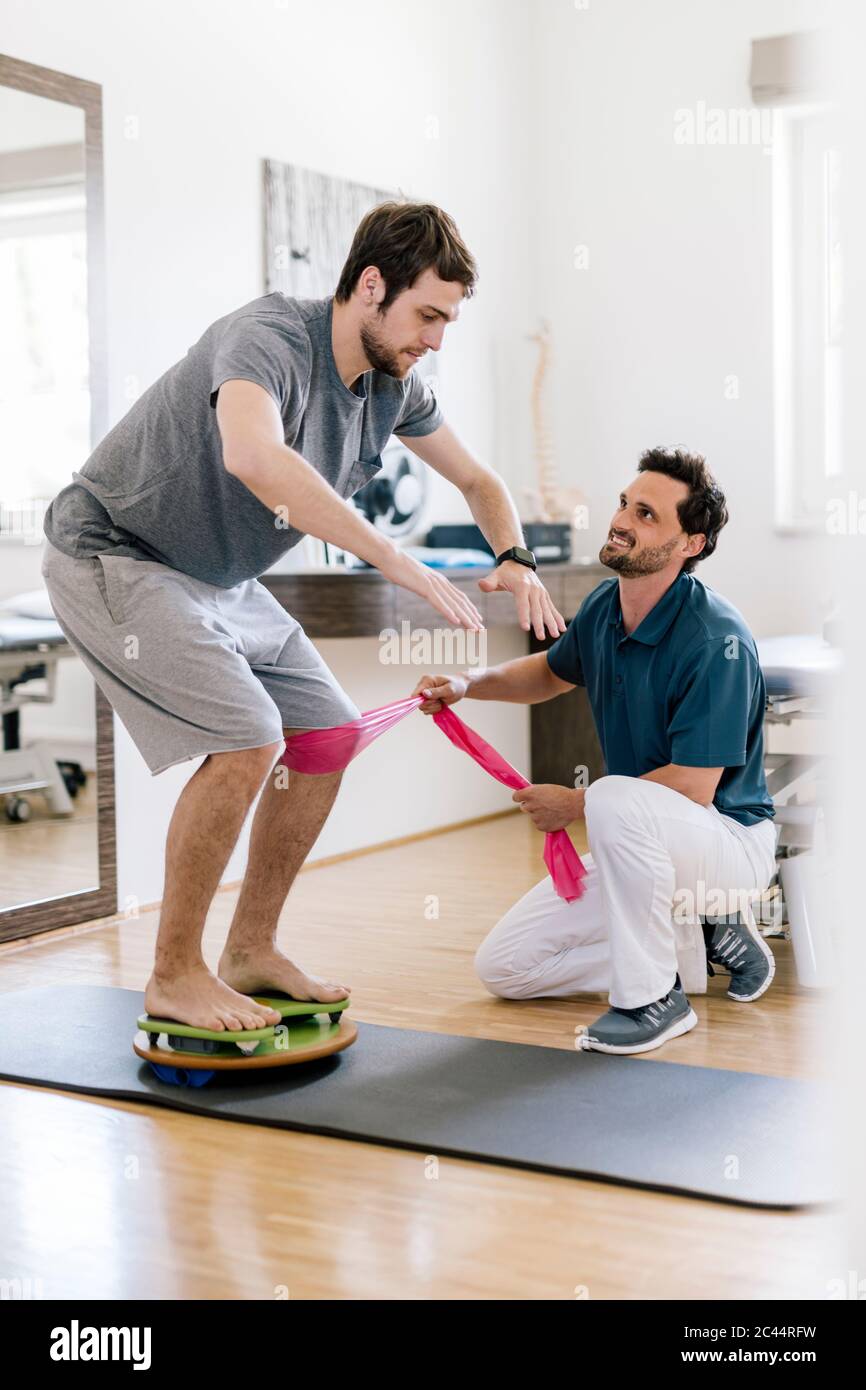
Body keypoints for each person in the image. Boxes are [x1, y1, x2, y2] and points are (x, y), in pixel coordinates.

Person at [40, 200, 565, 1032]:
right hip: (116, 549)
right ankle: (175, 973)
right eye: (428, 314)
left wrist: (515, 559)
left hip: (221, 578)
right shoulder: (270, 337)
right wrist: (393, 558)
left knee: (326, 735)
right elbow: (252, 454)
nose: (435, 339)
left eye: (448, 321)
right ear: (369, 286)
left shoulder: (395, 386)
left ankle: (251, 947)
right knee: (249, 738)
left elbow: (479, 481)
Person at [413, 448, 777, 1055]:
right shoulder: (608, 607)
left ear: (692, 542)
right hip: (639, 834)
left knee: (612, 797)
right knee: (504, 968)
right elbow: (550, 673)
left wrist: (575, 804)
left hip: (727, 843)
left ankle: (653, 1001)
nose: (622, 520)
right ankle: (690, 947)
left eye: (647, 515)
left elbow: (693, 785)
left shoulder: (717, 639)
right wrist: (469, 685)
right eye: (624, 504)